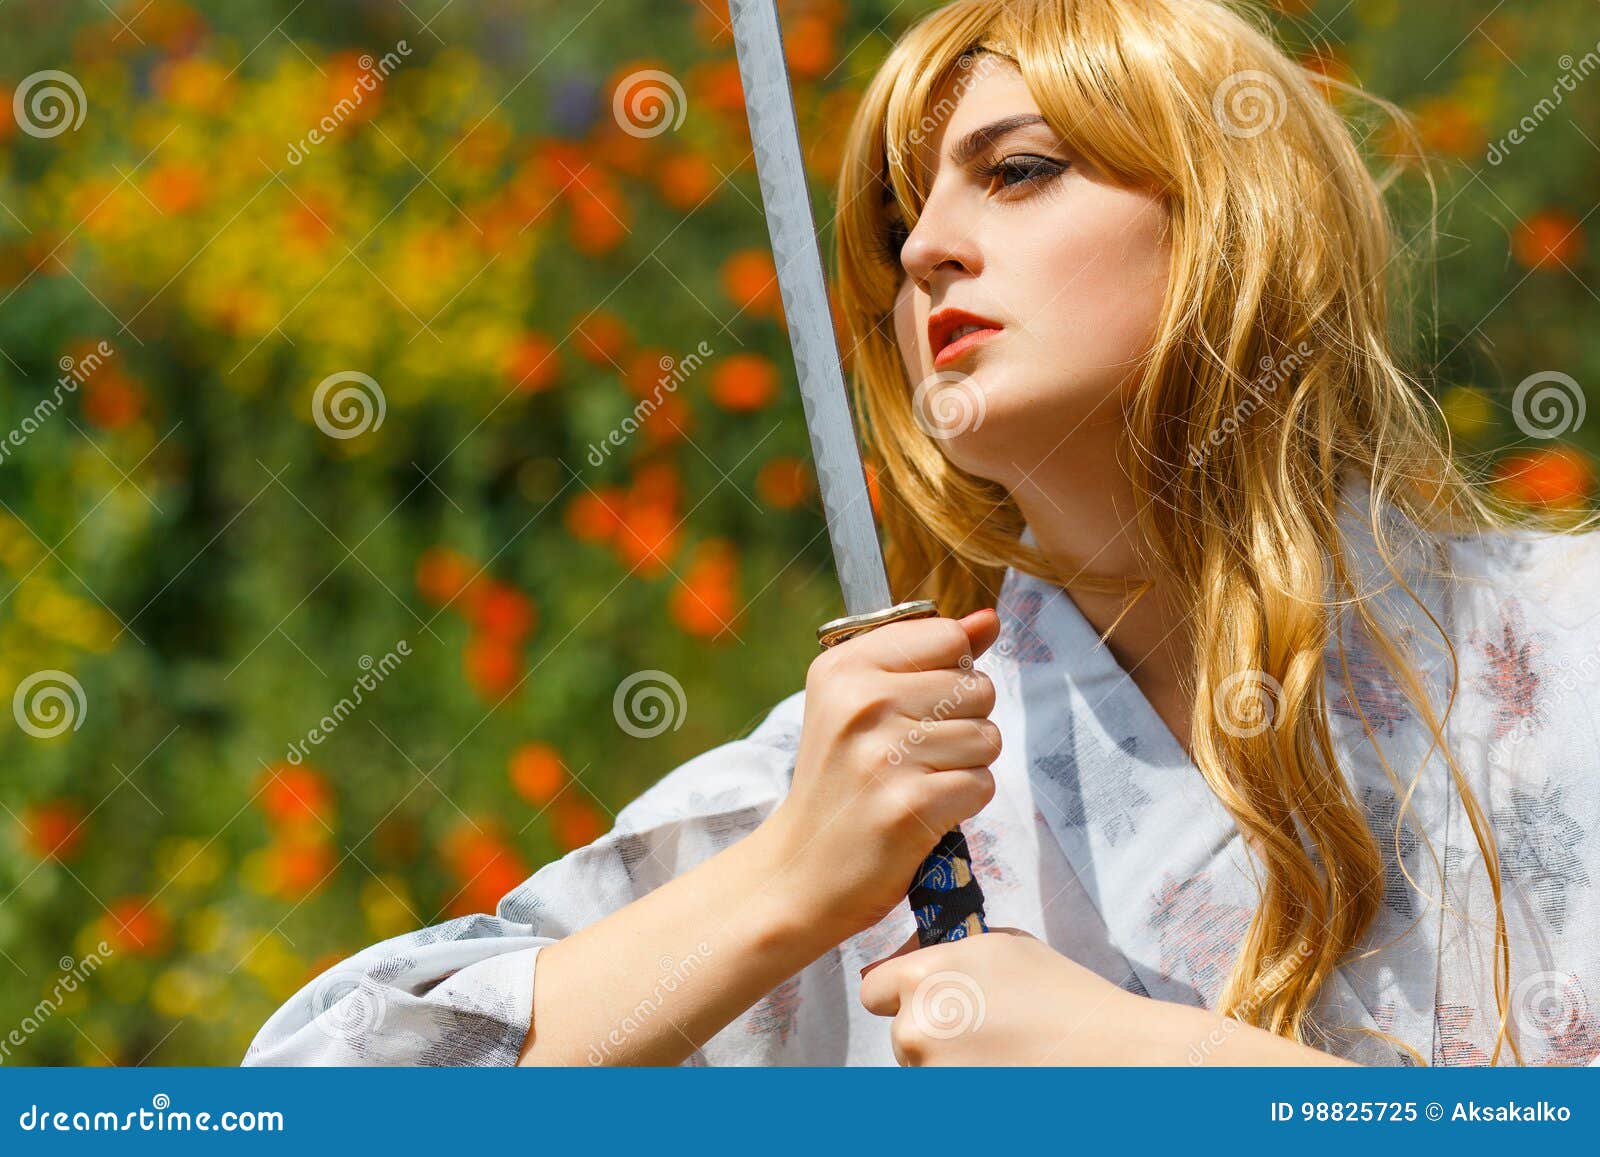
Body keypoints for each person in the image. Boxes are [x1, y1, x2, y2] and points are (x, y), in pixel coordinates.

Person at [243, 0, 1600, 1067]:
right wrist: (785, 885)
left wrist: (1172, 1074)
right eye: (901, 220)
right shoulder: (879, 785)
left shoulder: (1566, 645)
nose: (927, 249)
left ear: (1234, 218)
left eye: (1017, 172)